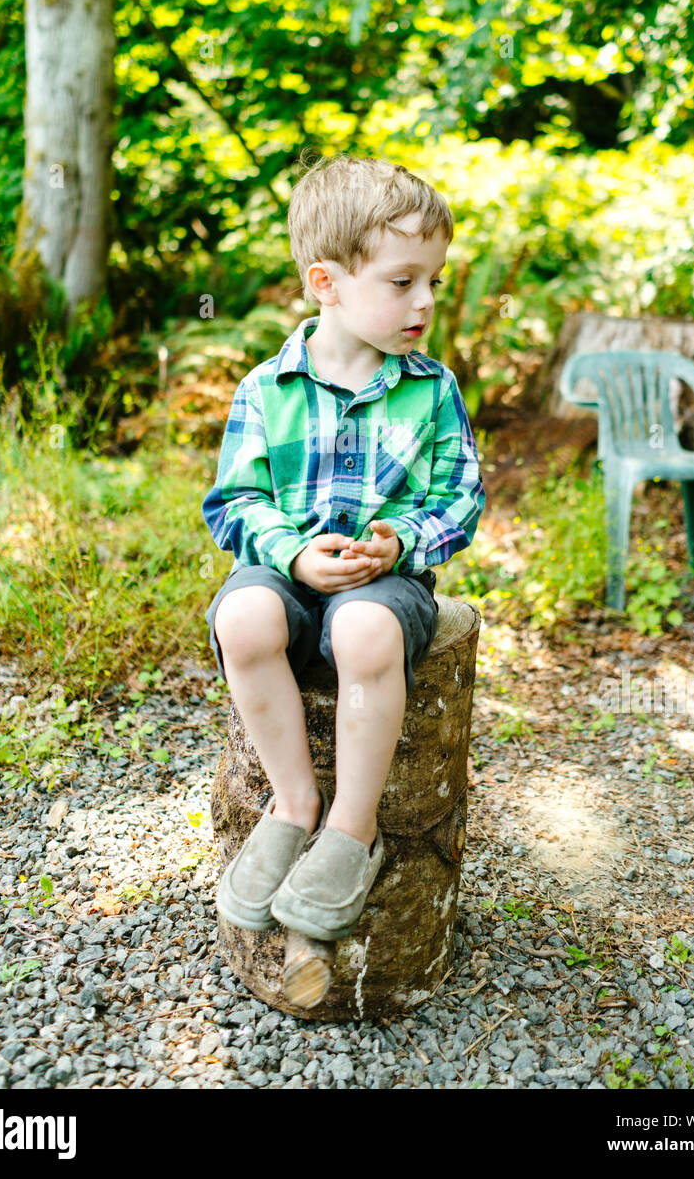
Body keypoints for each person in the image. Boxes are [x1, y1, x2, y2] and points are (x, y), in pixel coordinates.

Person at [202, 155, 486, 941]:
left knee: (365, 631)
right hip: (287, 567)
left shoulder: (432, 390)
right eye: (402, 282)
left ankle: (351, 830)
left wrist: (402, 542)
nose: (425, 299)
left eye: (432, 279)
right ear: (325, 282)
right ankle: (295, 805)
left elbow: (460, 497)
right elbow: (234, 501)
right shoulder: (266, 388)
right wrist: (291, 557)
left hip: (381, 583)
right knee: (246, 619)